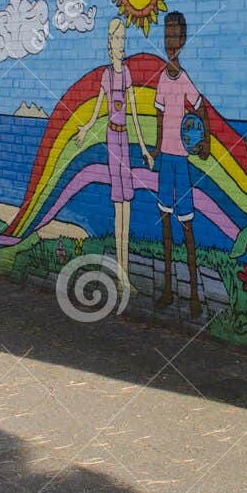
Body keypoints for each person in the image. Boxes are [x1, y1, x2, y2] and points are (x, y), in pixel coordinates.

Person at [77, 17, 152, 295]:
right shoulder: (107, 76)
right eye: (117, 39)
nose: (121, 44)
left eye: (123, 39)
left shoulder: (127, 73)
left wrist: (143, 148)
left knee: (126, 208)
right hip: (112, 138)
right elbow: (98, 108)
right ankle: (122, 276)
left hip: (124, 139)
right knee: (119, 205)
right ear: (110, 43)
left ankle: (125, 276)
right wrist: (86, 127)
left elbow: (133, 115)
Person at [152, 11, 207, 316]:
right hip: (166, 162)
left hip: (182, 162)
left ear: (183, 41)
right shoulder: (162, 79)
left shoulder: (183, 79)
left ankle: (195, 294)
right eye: (167, 36)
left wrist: (203, 143)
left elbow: (201, 108)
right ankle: (168, 289)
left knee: (186, 227)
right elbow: (159, 116)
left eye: (174, 37)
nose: (170, 43)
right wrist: (156, 148)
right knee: (165, 225)